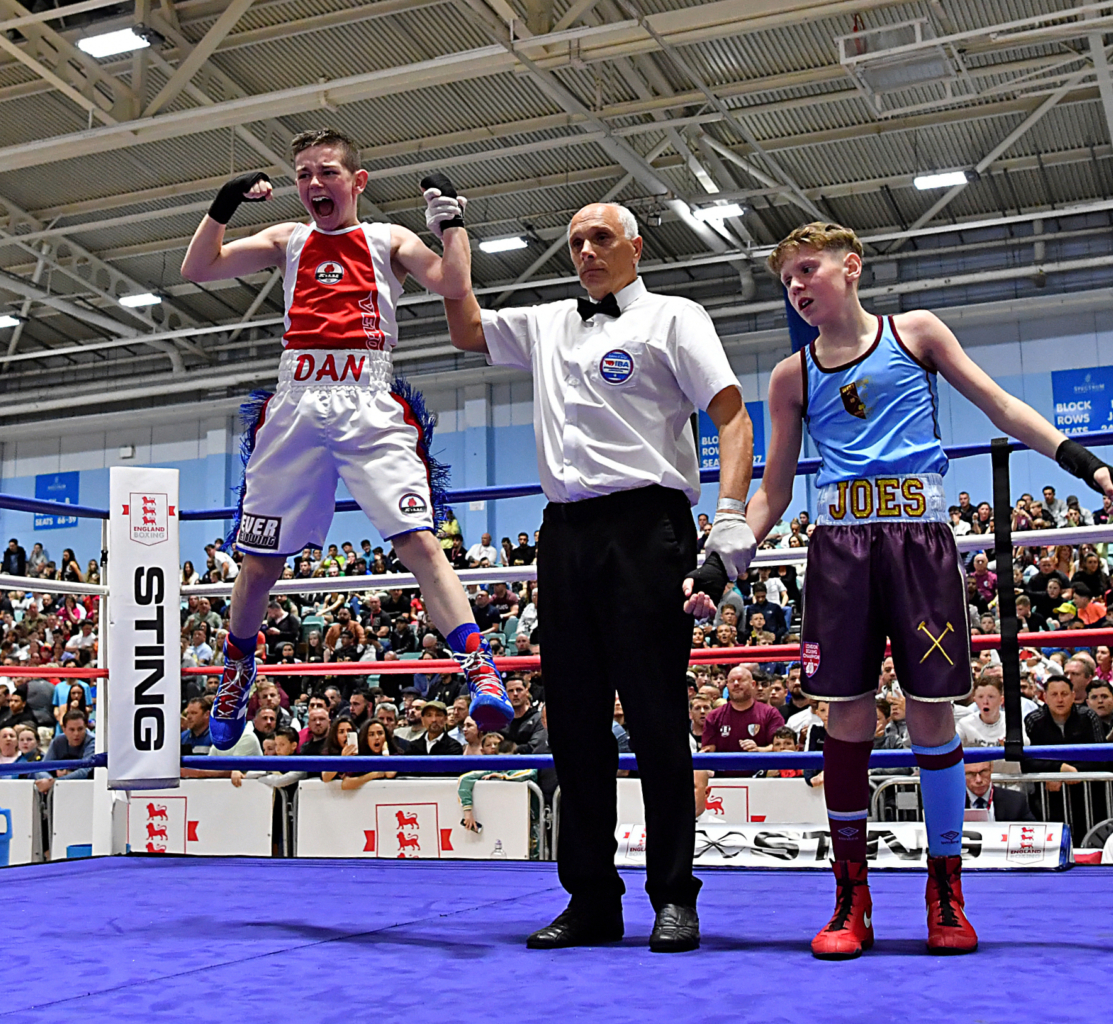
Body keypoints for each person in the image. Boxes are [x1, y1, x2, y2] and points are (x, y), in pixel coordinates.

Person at [718, 222, 1113, 958]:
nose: (798, 287)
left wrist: (1081, 460)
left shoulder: (915, 333)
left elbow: (999, 405)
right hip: (839, 550)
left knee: (932, 717)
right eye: (787, 280)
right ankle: (851, 898)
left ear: (851, 267)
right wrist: (724, 554)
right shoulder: (790, 376)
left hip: (920, 543)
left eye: (808, 270)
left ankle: (946, 892)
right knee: (845, 720)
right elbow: (773, 491)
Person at [442, 200, 755, 955]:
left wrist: (731, 515)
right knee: (574, 725)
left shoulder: (675, 317)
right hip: (567, 534)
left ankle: (674, 897)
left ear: (635, 247)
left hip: (650, 528)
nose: (586, 250)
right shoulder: (549, 319)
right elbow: (467, 329)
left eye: (601, 238)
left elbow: (733, 416)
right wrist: (451, 240)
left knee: (653, 718)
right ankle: (591, 901)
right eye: (576, 240)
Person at [180, 128, 510, 750]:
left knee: (420, 542)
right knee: (258, 566)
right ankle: (236, 669)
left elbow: (454, 286)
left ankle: (480, 672)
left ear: (356, 181)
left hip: (369, 396)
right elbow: (198, 267)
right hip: (297, 400)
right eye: (303, 174)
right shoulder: (290, 238)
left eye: (326, 172)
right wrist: (221, 206)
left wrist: (453, 224)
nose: (312, 185)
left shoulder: (389, 239)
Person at [962, 761, 1035, 822]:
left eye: (983, 772)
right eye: (970, 774)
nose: (979, 780)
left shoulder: (1016, 801)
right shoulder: (952, 805)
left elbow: (1032, 832)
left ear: (991, 768)